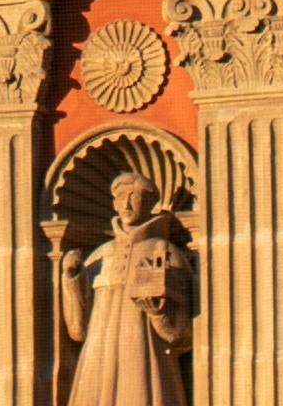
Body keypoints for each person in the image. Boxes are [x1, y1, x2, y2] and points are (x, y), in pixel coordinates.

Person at [59, 149, 188, 406]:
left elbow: (182, 334)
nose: (126, 205)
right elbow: (78, 330)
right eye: (120, 198)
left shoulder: (165, 251)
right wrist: (72, 281)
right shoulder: (100, 256)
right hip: (99, 362)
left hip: (144, 361)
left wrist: (159, 314)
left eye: (134, 197)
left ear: (149, 202)